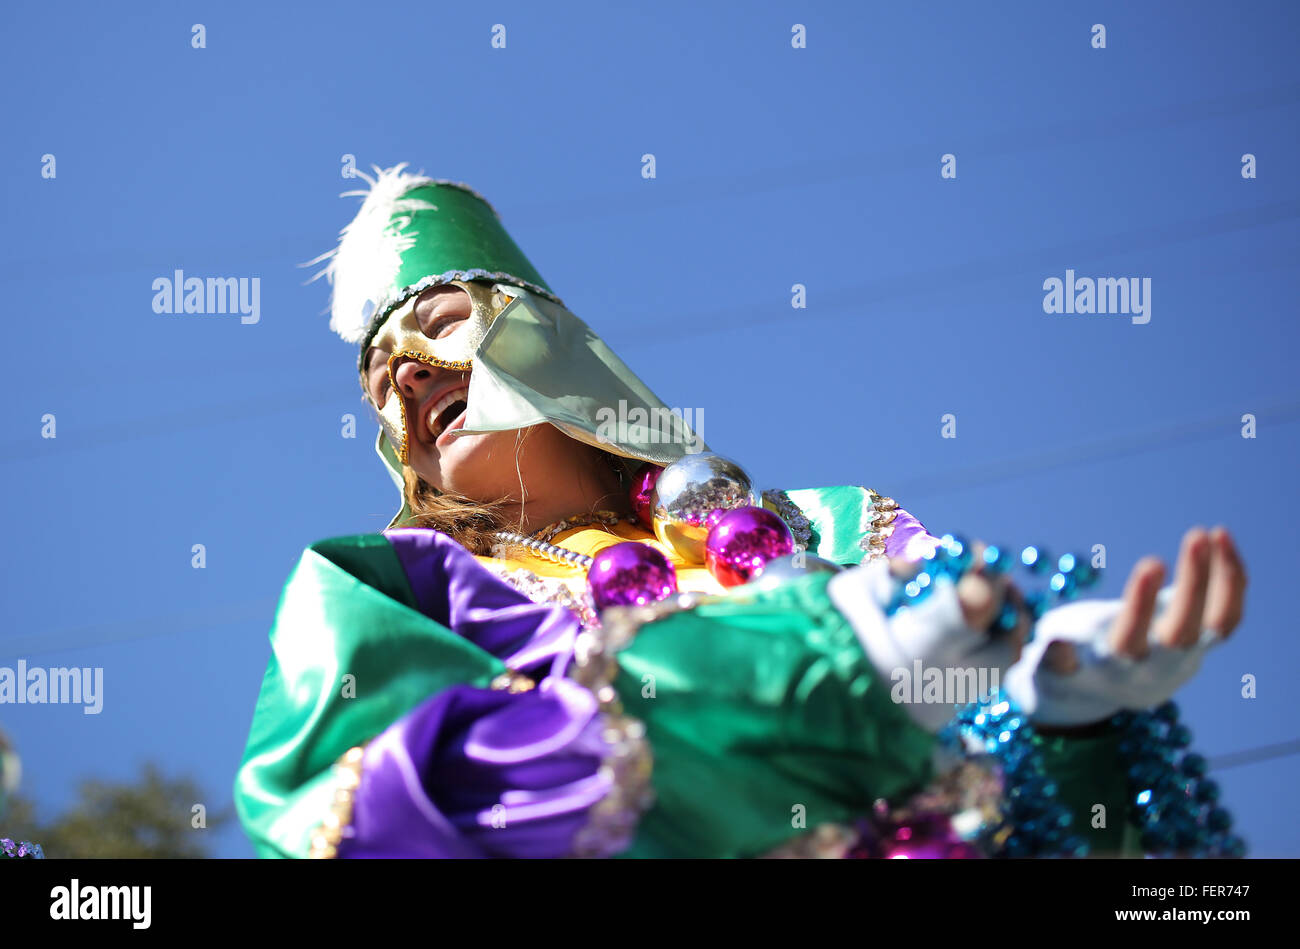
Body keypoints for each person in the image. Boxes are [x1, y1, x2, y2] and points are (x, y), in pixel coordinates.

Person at [233, 165, 1247, 859]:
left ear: (545, 340)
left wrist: (1075, 728)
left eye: (441, 328)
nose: (406, 378)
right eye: (378, 384)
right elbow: (373, 825)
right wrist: (812, 670)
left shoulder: (831, 532)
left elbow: (1002, 809)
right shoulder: (390, 604)